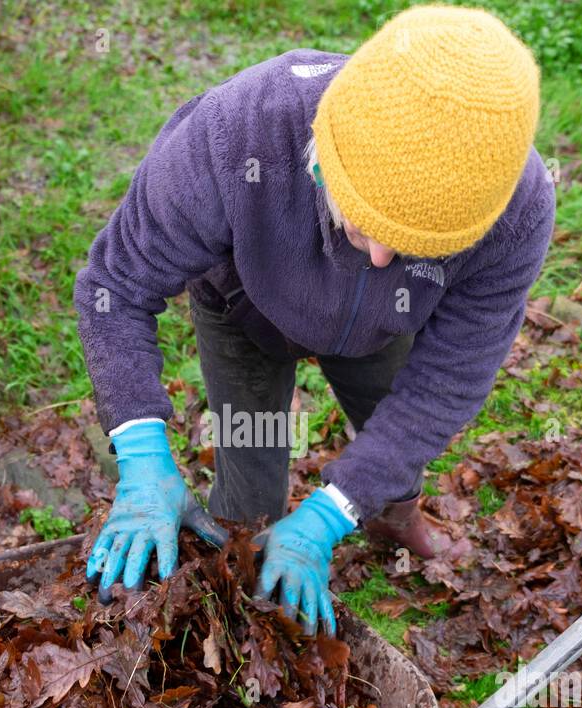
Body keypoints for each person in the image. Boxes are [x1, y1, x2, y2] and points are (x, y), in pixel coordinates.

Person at [75, 4, 555, 635]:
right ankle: (248, 572)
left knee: (393, 446)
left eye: (412, 246)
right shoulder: (237, 131)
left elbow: (445, 383)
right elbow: (116, 284)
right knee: (250, 480)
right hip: (245, 306)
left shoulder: (515, 211)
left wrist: (330, 513)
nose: (382, 258)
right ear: (326, 154)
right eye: (365, 223)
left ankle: (393, 514)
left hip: (387, 324)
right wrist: (141, 459)